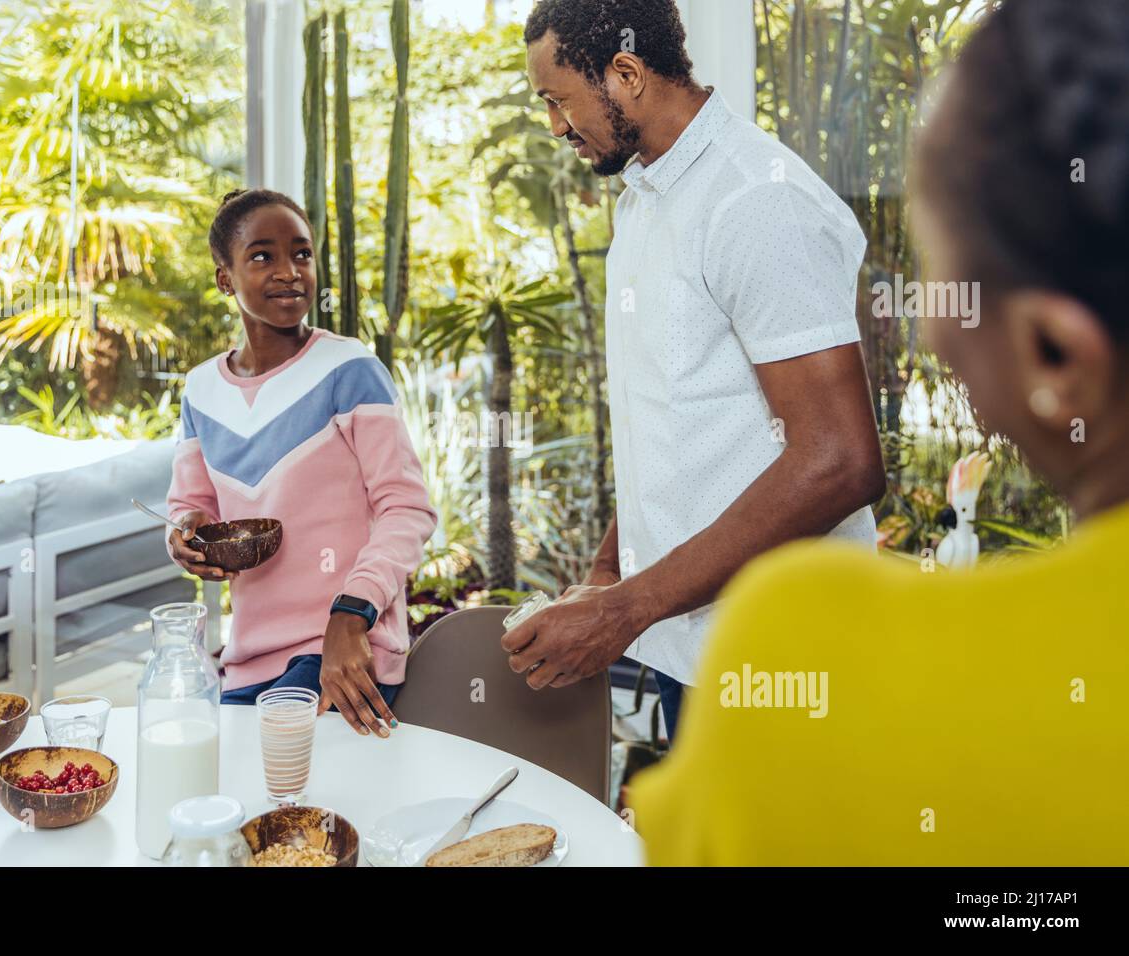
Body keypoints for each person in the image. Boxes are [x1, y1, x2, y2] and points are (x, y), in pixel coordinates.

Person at [630, 0, 1129, 864]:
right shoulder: (648, 200)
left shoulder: (803, 641)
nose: (928, 329)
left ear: (1058, 356)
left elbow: (838, 460)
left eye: (947, 281)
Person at [504, 0, 885, 739]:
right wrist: (610, 571)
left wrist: (626, 607)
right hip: (693, 646)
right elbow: (671, 417)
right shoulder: (646, 200)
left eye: (557, 100)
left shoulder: (756, 200)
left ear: (625, 74)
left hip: (787, 655)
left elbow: (840, 461)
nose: (554, 125)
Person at [167, 188, 437, 738]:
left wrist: (352, 612)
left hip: (343, 652)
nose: (289, 271)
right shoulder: (200, 391)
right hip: (247, 658)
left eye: (303, 254)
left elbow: (406, 508)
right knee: (247, 810)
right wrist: (184, 536)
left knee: (291, 807)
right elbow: (190, 505)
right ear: (225, 278)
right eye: (262, 256)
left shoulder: (350, 369)